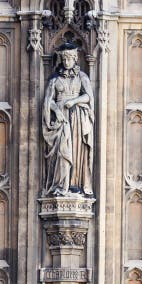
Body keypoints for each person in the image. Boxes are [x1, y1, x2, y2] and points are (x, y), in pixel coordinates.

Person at [42, 43, 95, 197]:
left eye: (69, 58)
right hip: (61, 119)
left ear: (75, 59)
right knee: (62, 151)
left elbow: (89, 96)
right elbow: (48, 100)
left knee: (77, 150)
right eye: (64, 59)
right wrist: (56, 110)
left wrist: (75, 101)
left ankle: (74, 183)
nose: (66, 62)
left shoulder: (82, 77)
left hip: (77, 117)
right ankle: (60, 184)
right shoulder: (55, 79)